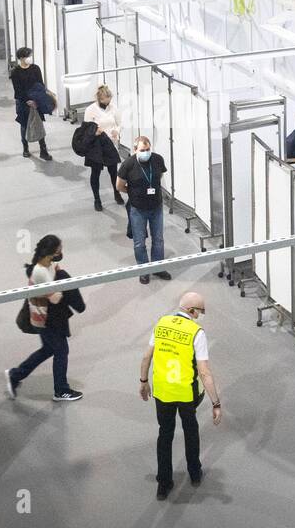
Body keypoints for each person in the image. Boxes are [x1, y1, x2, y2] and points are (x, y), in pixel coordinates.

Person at [138, 291, 222, 501]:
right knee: (190, 430)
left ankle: (163, 483)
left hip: (163, 391)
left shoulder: (162, 323)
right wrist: (216, 402)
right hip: (187, 394)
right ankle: (194, 472)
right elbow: (204, 371)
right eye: (200, 311)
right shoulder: (196, 332)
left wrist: (143, 381)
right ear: (192, 311)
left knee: (164, 434)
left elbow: (147, 355)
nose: (201, 315)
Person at [4, 235, 85, 402]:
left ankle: (15, 375)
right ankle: (61, 390)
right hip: (45, 320)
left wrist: (59, 278)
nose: (61, 252)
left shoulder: (49, 264)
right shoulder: (40, 271)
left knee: (48, 349)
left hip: (48, 317)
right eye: (59, 250)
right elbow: (54, 298)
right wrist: (63, 283)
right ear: (52, 252)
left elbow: (55, 273)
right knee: (61, 351)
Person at [117, 135, 168, 283]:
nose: (145, 152)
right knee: (139, 242)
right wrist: (133, 193)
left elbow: (160, 176)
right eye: (142, 150)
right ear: (135, 150)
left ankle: (158, 267)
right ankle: (144, 270)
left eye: (147, 149)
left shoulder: (157, 159)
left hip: (156, 207)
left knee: (158, 240)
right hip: (138, 209)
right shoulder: (128, 165)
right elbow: (119, 186)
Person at [82, 85, 124, 211]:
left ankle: (117, 193)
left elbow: (120, 123)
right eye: (105, 101)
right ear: (99, 99)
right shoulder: (90, 110)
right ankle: (97, 199)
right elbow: (86, 128)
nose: (108, 103)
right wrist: (95, 132)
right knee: (95, 173)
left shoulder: (113, 108)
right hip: (96, 145)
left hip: (110, 143)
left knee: (113, 172)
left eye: (109, 100)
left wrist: (117, 130)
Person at [10, 46, 53, 160]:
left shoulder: (35, 68)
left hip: (36, 101)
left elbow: (40, 84)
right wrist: (28, 101)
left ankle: (43, 150)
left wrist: (37, 100)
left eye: (30, 55)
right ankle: (25, 148)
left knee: (38, 124)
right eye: (27, 56)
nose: (29, 58)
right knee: (24, 125)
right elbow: (18, 90)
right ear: (21, 58)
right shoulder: (15, 72)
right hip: (23, 102)